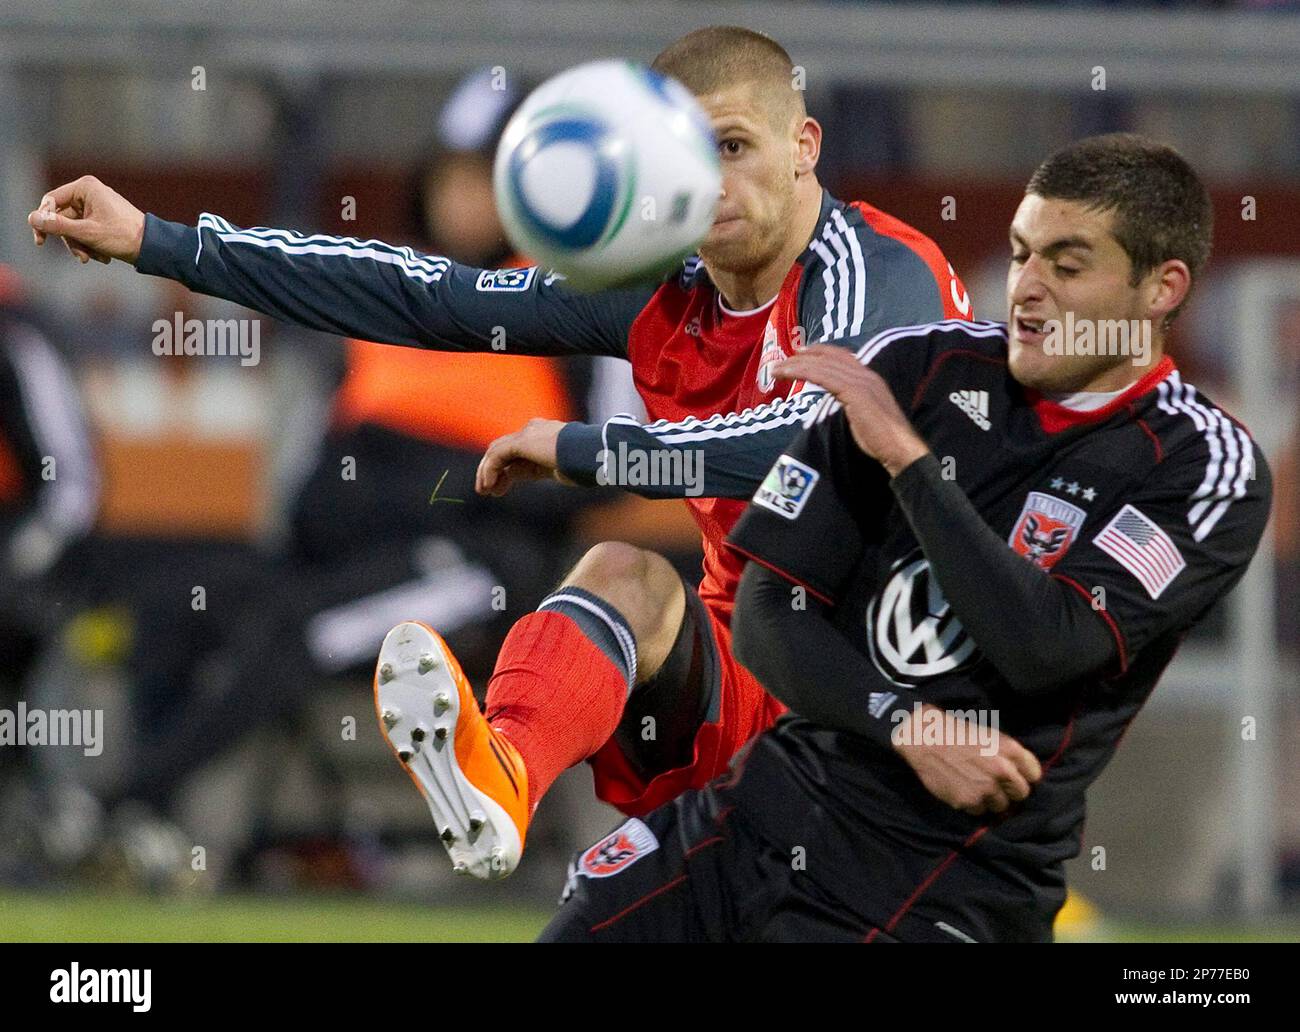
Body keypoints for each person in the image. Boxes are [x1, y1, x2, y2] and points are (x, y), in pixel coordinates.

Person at [28, 26, 971, 880]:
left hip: (914, 681)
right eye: (691, 155)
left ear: (804, 148)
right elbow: (426, 293)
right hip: (762, 665)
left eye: (735, 147)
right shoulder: (661, 287)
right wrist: (162, 241)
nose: (714, 182)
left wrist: (591, 452)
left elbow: (809, 443)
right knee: (621, 581)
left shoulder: (878, 275)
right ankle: (500, 778)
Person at [539, 133, 1272, 942]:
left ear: (1161, 289)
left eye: (1067, 267)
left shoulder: (1206, 466)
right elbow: (767, 612)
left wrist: (911, 464)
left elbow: (1048, 644)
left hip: (943, 883)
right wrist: (905, 724)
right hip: (755, 816)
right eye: (1022, 254)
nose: (1027, 288)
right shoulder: (921, 368)